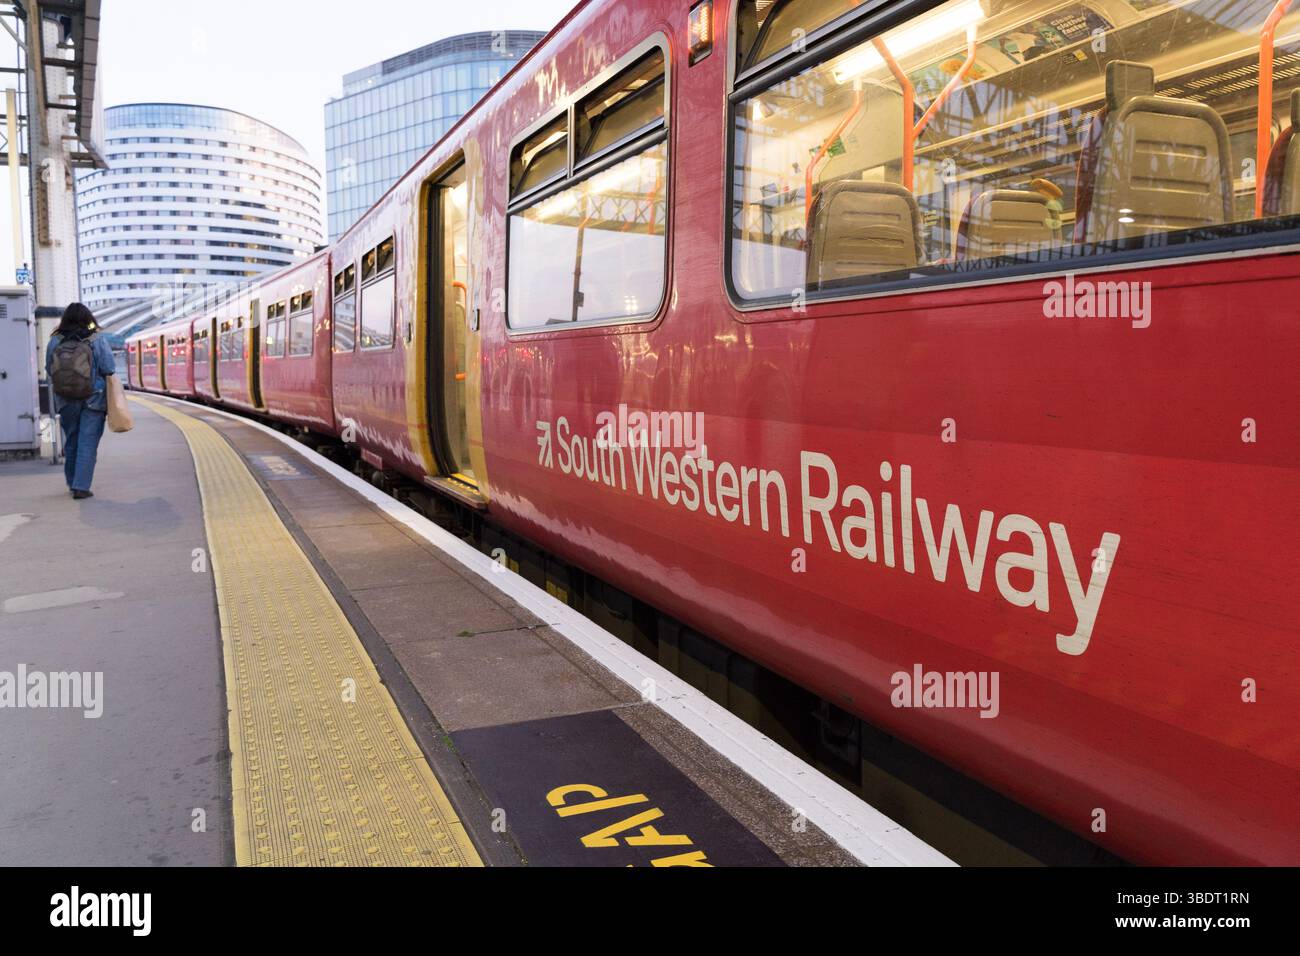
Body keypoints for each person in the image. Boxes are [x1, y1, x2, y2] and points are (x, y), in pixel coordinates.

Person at [45, 302, 116, 500]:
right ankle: (81, 487)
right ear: (88, 319)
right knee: (88, 442)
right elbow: (109, 367)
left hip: (66, 400)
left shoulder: (55, 341)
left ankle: (72, 482)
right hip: (94, 399)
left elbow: (49, 369)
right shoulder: (96, 339)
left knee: (72, 441)